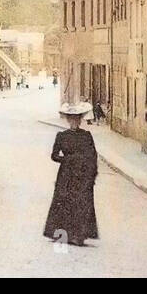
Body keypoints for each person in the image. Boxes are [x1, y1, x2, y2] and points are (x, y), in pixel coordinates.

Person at [43, 102, 98, 246]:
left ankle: (79, 234)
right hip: (66, 175)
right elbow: (54, 155)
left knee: (81, 203)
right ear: (68, 120)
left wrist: (92, 175)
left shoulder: (86, 136)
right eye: (72, 119)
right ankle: (65, 233)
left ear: (80, 120)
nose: (74, 122)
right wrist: (67, 160)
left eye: (77, 119)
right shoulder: (62, 136)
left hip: (82, 174)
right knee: (66, 203)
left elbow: (93, 156)